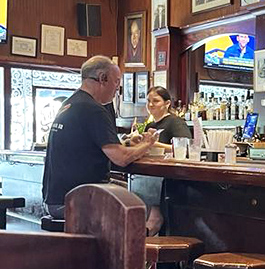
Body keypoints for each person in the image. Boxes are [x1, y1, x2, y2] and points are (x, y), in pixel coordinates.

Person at [42, 55, 158, 218]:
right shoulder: (93, 109)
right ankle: (133, 241)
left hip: (55, 199)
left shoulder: (70, 103)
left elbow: (88, 146)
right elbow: (121, 158)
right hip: (77, 201)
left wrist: (130, 144)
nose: (118, 88)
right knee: (148, 210)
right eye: (116, 81)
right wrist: (148, 143)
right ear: (103, 78)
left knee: (129, 193)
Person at [129, 86, 191, 235]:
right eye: (148, 101)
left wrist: (153, 144)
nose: (151, 105)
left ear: (167, 103)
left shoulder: (175, 122)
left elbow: (185, 146)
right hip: (147, 176)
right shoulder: (150, 125)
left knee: (154, 217)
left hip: (164, 178)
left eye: (155, 101)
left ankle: (142, 244)